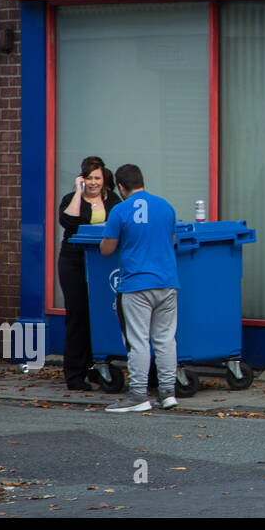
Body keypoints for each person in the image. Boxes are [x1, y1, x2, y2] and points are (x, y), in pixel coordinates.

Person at [100, 164, 179, 413]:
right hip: (167, 283)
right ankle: (168, 393)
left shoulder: (120, 210)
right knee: (165, 339)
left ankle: (138, 395)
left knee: (138, 341)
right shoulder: (166, 207)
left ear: (121, 187)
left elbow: (107, 249)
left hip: (136, 285)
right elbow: (172, 241)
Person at [57, 156, 122, 391]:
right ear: (81, 179)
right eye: (88, 178)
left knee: (102, 314)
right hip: (73, 262)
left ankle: (96, 367)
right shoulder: (71, 199)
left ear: (105, 180)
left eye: (97, 178)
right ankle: (74, 374)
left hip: (102, 263)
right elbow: (67, 221)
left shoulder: (113, 200)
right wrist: (77, 192)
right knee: (78, 315)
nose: (92, 182)